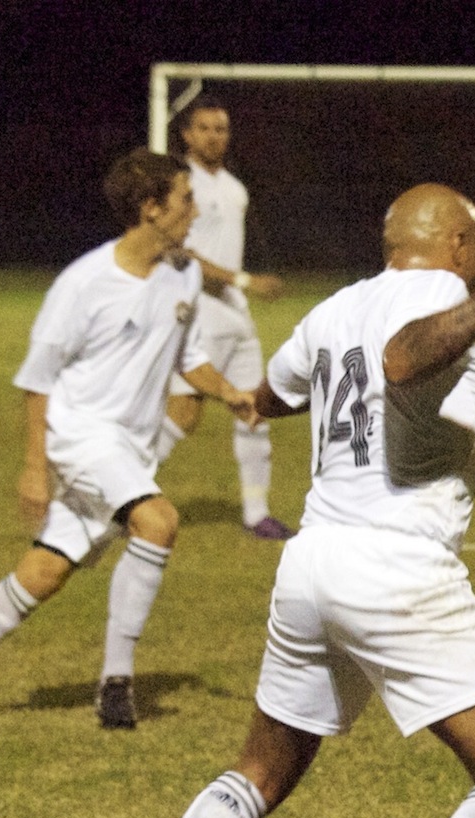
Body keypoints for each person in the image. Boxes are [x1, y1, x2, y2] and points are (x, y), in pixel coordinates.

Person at [80, 184, 475, 818]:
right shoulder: (444, 291)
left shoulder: (335, 309)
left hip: (313, 569)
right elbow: (408, 358)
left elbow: (276, 392)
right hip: (399, 572)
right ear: (454, 243)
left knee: (261, 769)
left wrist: (247, 402)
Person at [0, 149, 257, 728]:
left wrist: (231, 393)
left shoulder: (183, 273)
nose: (195, 208)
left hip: (129, 451)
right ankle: (116, 685)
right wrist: (34, 468)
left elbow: (191, 358)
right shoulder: (84, 283)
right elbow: (37, 381)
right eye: (186, 198)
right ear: (151, 208)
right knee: (158, 521)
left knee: (42, 574)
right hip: (82, 440)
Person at [154, 97, 294, 539]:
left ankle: (257, 513)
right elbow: (181, 253)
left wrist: (240, 288)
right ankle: (118, 493)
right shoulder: (179, 187)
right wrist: (246, 280)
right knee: (184, 414)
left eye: (222, 129)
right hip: (199, 314)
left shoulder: (235, 188)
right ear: (187, 135)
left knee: (254, 409)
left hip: (236, 315)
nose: (215, 136)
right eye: (206, 129)